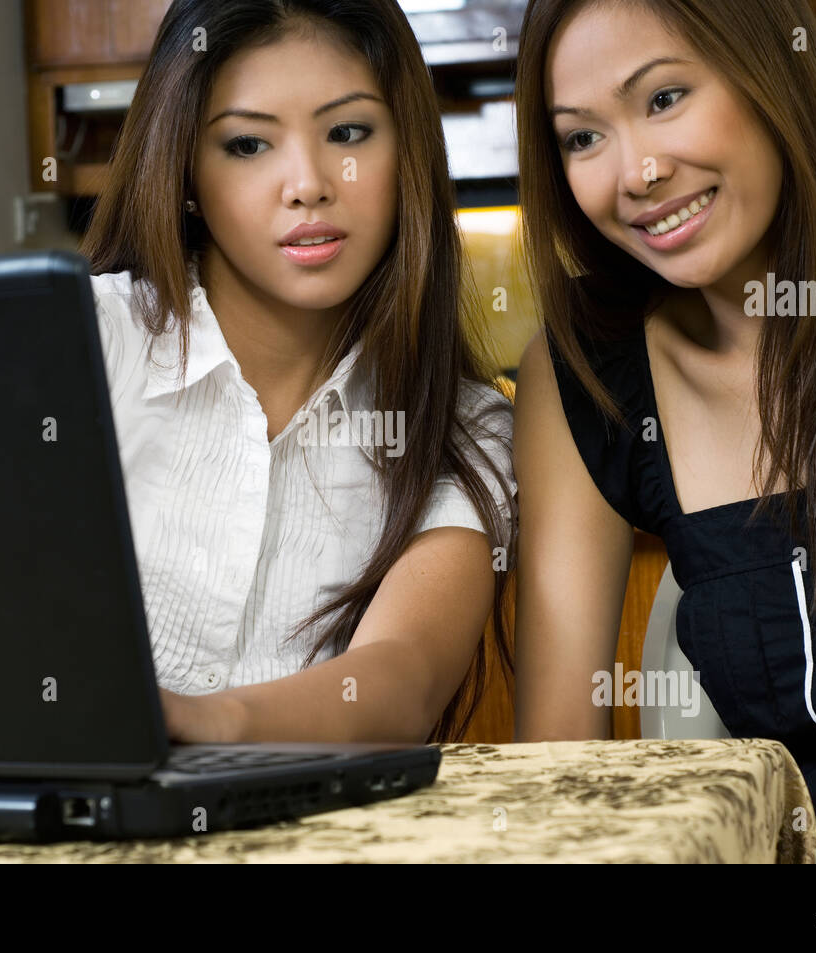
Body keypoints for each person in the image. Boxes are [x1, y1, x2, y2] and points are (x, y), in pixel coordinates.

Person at [512, 0, 816, 863]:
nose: (638, 171)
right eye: (582, 137)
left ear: (774, 70)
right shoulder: (587, 372)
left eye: (664, 98)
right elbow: (560, 770)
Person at [79, 0, 516, 746]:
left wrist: (200, 721)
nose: (309, 183)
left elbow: (404, 677)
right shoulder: (84, 340)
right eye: (248, 144)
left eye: (348, 133)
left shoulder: (459, 424)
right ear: (186, 170)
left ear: (406, 149)